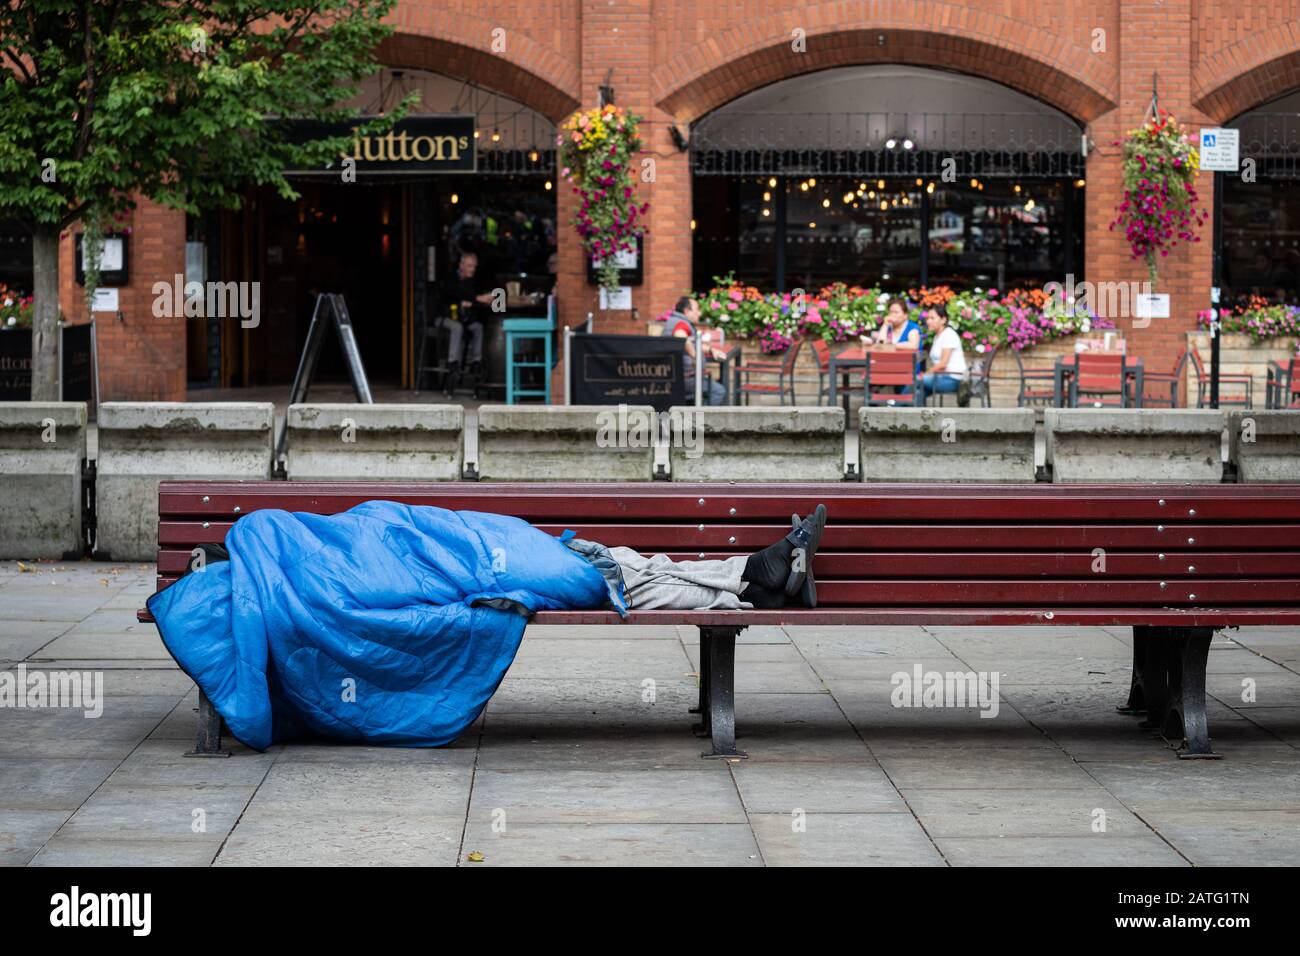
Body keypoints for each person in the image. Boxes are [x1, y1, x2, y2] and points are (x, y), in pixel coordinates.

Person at [154, 502, 829, 749]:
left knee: (607, 568)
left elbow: (387, 533)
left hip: (467, 547)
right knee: (604, 573)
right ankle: (753, 576)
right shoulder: (269, 580)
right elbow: (371, 591)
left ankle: (752, 575)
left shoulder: (273, 543)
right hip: (476, 564)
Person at [440, 251, 495, 395]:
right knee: (457, 328)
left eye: (474, 267)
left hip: (464, 319)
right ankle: (453, 365)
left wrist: (479, 299)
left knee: (478, 327)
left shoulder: (473, 281)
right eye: (469, 266)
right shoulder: (450, 277)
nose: (472, 269)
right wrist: (476, 299)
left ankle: (476, 363)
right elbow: (453, 293)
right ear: (461, 265)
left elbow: (472, 298)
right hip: (444, 317)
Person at [662, 295, 728, 405]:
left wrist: (711, 350)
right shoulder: (681, 324)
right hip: (684, 379)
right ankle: (701, 419)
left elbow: (693, 343)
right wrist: (694, 355)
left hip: (676, 377)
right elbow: (681, 337)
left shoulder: (675, 321)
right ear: (687, 311)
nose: (700, 313)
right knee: (719, 391)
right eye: (697, 309)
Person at [919, 306, 970, 404]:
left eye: (932, 318)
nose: (928, 321)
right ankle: (910, 410)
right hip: (942, 377)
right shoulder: (938, 336)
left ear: (943, 320)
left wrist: (925, 374)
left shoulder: (948, 335)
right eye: (927, 318)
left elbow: (943, 364)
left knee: (916, 380)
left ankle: (895, 406)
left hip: (954, 380)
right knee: (919, 392)